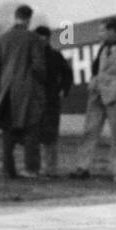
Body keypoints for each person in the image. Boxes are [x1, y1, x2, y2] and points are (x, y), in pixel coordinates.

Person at [70, 17, 116, 183]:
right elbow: (97, 70)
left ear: (112, 30)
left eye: (102, 30)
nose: (99, 34)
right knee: (89, 131)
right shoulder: (103, 49)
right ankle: (82, 167)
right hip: (97, 95)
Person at [0, 4, 46, 179]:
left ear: (15, 17)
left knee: (8, 133)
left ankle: (8, 170)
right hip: (29, 92)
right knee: (31, 130)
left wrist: (6, 79)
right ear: (29, 19)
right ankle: (31, 169)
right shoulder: (33, 39)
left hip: (7, 92)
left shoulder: (2, 39)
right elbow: (39, 66)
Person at [35, 24, 73, 177]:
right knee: (38, 135)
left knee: (49, 135)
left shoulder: (54, 56)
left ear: (48, 39)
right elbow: (67, 73)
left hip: (49, 100)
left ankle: (50, 168)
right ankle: (42, 167)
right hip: (42, 99)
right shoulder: (53, 55)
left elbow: (67, 74)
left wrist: (64, 89)